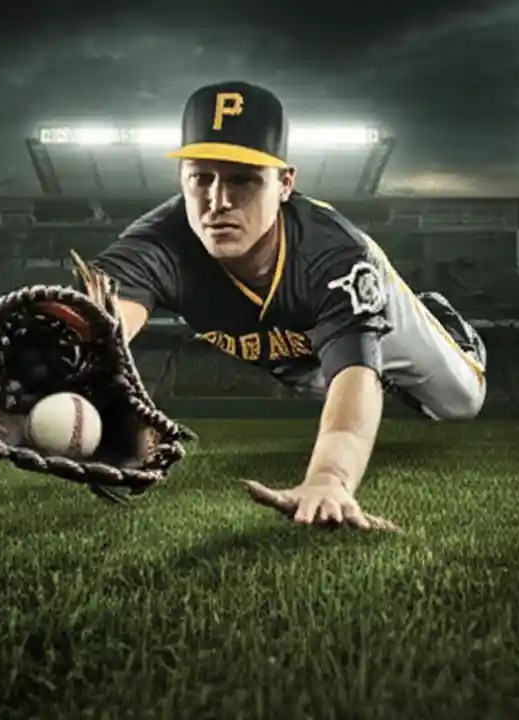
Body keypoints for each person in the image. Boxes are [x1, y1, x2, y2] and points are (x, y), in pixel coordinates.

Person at [89, 81, 487, 531]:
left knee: (460, 403)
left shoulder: (333, 253)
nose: (218, 201)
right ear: (181, 180)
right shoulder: (156, 243)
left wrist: (330, 478)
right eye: (202, 177)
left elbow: (353, 374)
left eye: (244, 179)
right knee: (321, 384)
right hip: (299, 356)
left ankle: (440, 319)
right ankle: (385, 380)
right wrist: (73, 371)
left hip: (374, 316)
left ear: (285, 183)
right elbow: (103, 325)